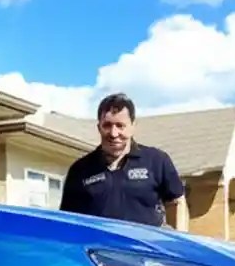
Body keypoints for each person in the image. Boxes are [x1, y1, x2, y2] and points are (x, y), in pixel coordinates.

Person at [59, 92, 185, 227]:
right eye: (107, 125)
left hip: (144, 246)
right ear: (99, 127)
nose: (113, 133)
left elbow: (176, 202)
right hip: (99, 247)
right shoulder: (80, 170)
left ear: (132, 126)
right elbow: (68, 220)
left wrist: (179, 243)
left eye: (120, 125)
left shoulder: (156, 160)